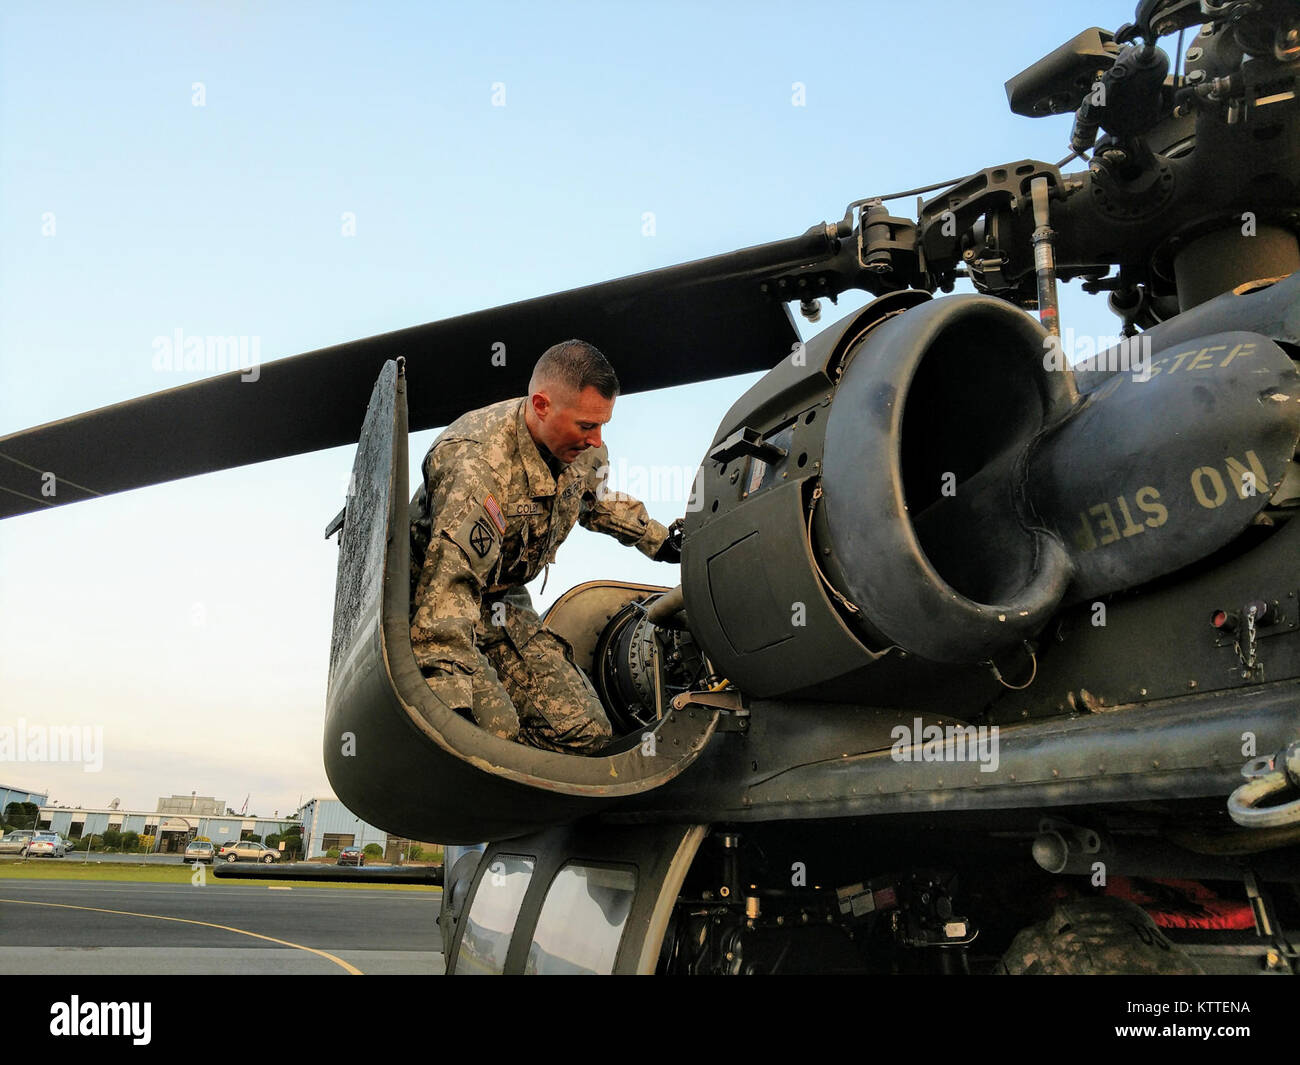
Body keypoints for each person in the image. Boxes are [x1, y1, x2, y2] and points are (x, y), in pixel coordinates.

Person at [409, 339, 683, 754]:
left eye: (602, 424)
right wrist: (452, 703)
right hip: (432, 602)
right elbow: (451, 584)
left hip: (501, 598)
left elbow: (592, 501)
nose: (596, 439)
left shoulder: (581, 450)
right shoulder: (476, 463)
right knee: (489, 735)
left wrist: (662, 543)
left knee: (586, 731)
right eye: (587, 426)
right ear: (541, 405)